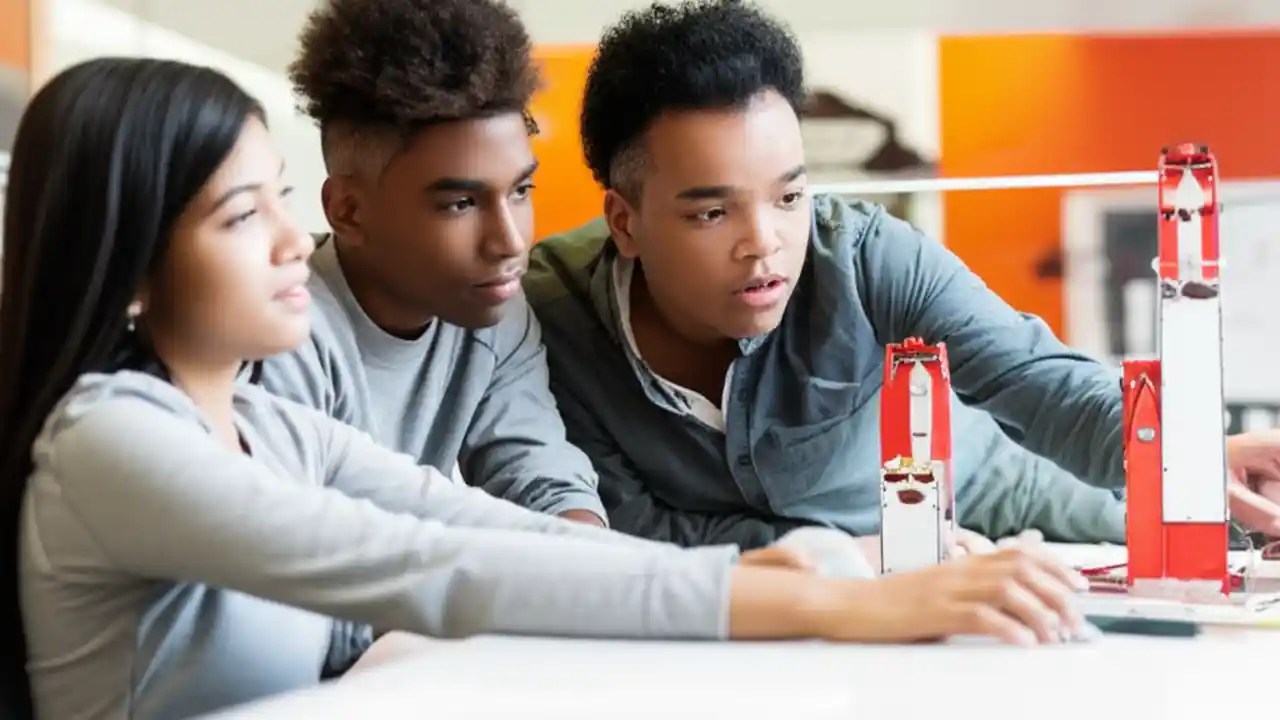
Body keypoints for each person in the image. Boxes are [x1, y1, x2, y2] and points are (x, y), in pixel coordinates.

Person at [0, 57, 1094, 720]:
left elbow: (513, 531)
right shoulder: (114, 444)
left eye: (280, 201)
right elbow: (435, 569)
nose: (294, 241)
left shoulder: (270, 430)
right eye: (244, 217)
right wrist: (834, 600)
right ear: (128, 265)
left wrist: (822, 570)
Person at [523, 0, 1280, 549]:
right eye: (711, 214)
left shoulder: (870, 257)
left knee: (1219, 526)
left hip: (991, 477)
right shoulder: (550, 316)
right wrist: (849, 558)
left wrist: (1187, 450)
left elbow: (1041, 381)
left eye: (789, 196)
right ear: (624, 220)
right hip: (863, 555)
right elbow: (633, 533)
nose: (765, 244)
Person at [255, 0, 606, 526]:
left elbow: (540, 474)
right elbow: (303, 548)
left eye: (520, 190)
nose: (509, 242)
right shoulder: (280, 332)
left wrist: (598, 568)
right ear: (348, 212)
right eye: (460, 204)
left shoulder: (495, 309)